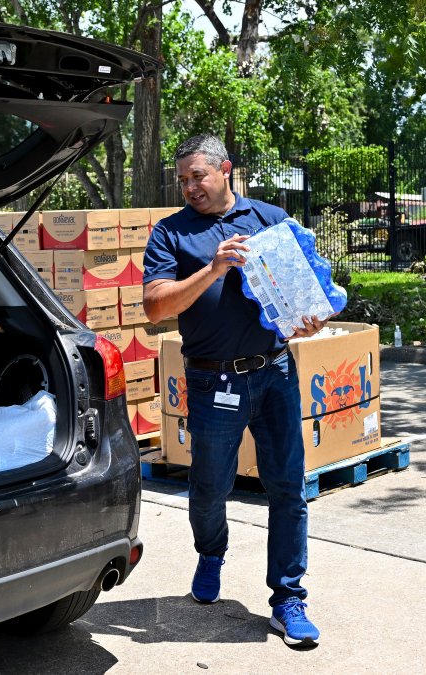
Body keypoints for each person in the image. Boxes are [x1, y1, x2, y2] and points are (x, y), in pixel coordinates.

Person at [142, 133, 326, 647]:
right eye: (182, 180)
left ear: (226, 170)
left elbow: (304, 287)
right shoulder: (171, 234)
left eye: (197, 175)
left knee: (288, 487)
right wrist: (214, 267)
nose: (189, 187)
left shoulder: (270, 218)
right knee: (208, 488)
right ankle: (211, 552)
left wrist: (307, 319)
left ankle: (288, 597)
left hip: (275, 371)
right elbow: (156, 308)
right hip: (211, 378)